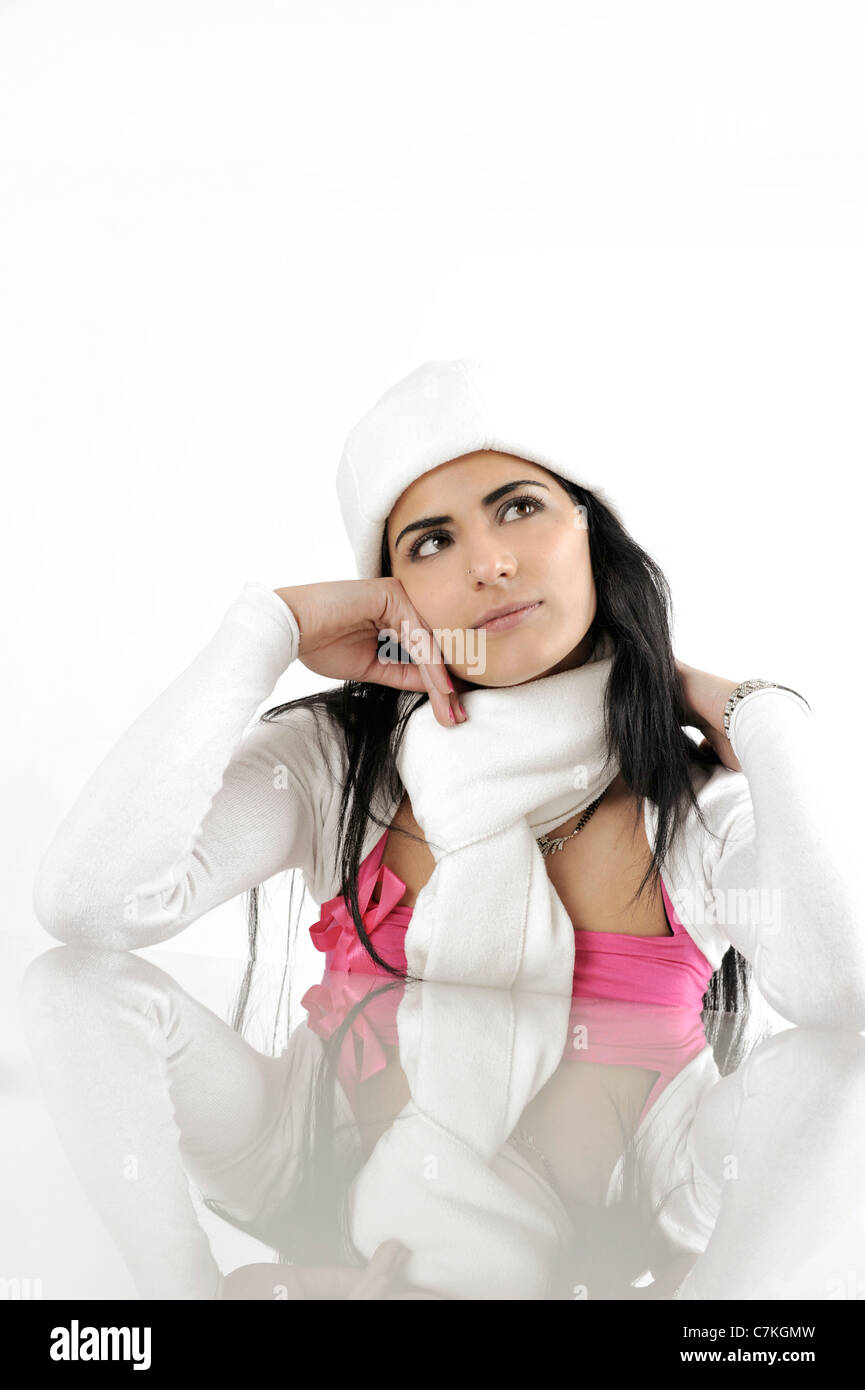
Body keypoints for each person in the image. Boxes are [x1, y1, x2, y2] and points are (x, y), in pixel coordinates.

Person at [32, 357, 865, 1033]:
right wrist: (267, 633)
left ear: (592, 538)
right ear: (391, 590)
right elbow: (91, 906)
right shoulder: (336, 768)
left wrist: (762, 714)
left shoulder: (694, 809)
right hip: (370, 1238)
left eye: (521, 508)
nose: (488, 564)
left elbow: (839, 989)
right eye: (432, 542)